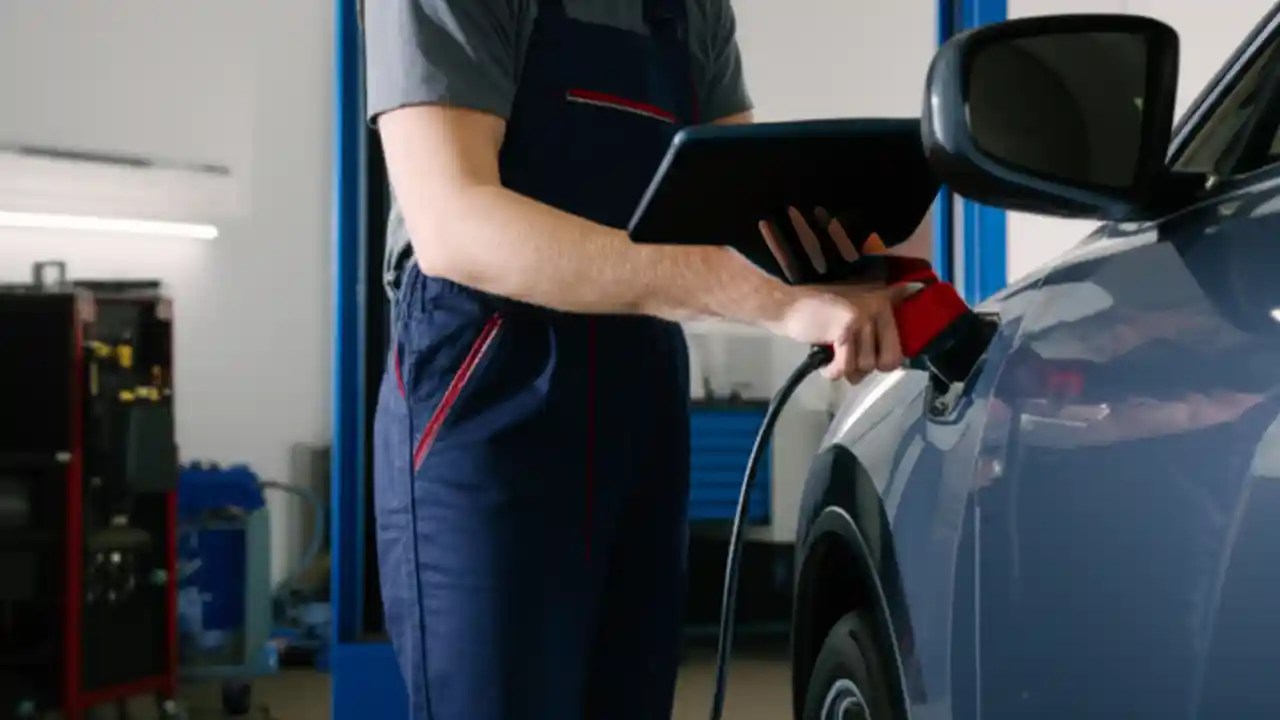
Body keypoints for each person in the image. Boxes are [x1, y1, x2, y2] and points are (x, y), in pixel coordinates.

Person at [362, 1, 922, 717]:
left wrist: (851, 268)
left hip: (639, 368)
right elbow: (455, 225)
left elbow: (738, 199)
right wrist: (773, 303)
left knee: (629, 696)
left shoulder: (691, 8)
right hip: (487, 377)